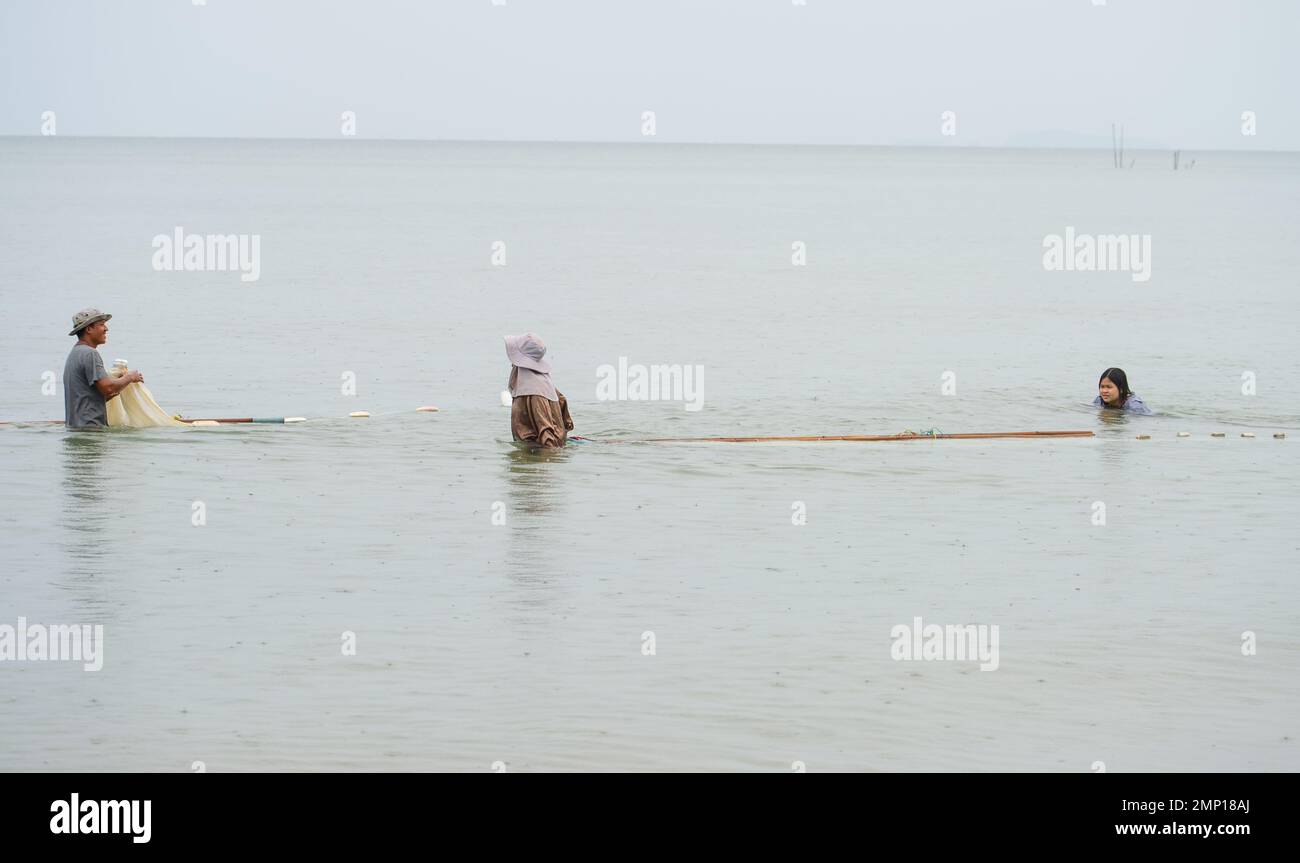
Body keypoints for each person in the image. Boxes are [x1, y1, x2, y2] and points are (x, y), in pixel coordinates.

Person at [63, 308, 144, 428]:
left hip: (76, 428)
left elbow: (94, 397)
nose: (106, 329)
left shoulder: (75, 353)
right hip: (91, 429)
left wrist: (121, 382)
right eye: (101, 325)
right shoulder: (90, 353)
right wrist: (130, 377)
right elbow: (108, 388)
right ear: (89, 329)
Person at [505, 333, 573, 448]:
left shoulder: (533, 392)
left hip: (538, 451)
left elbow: (547, 435)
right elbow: (563, 403)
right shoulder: (542, 382)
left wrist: (544, 460)